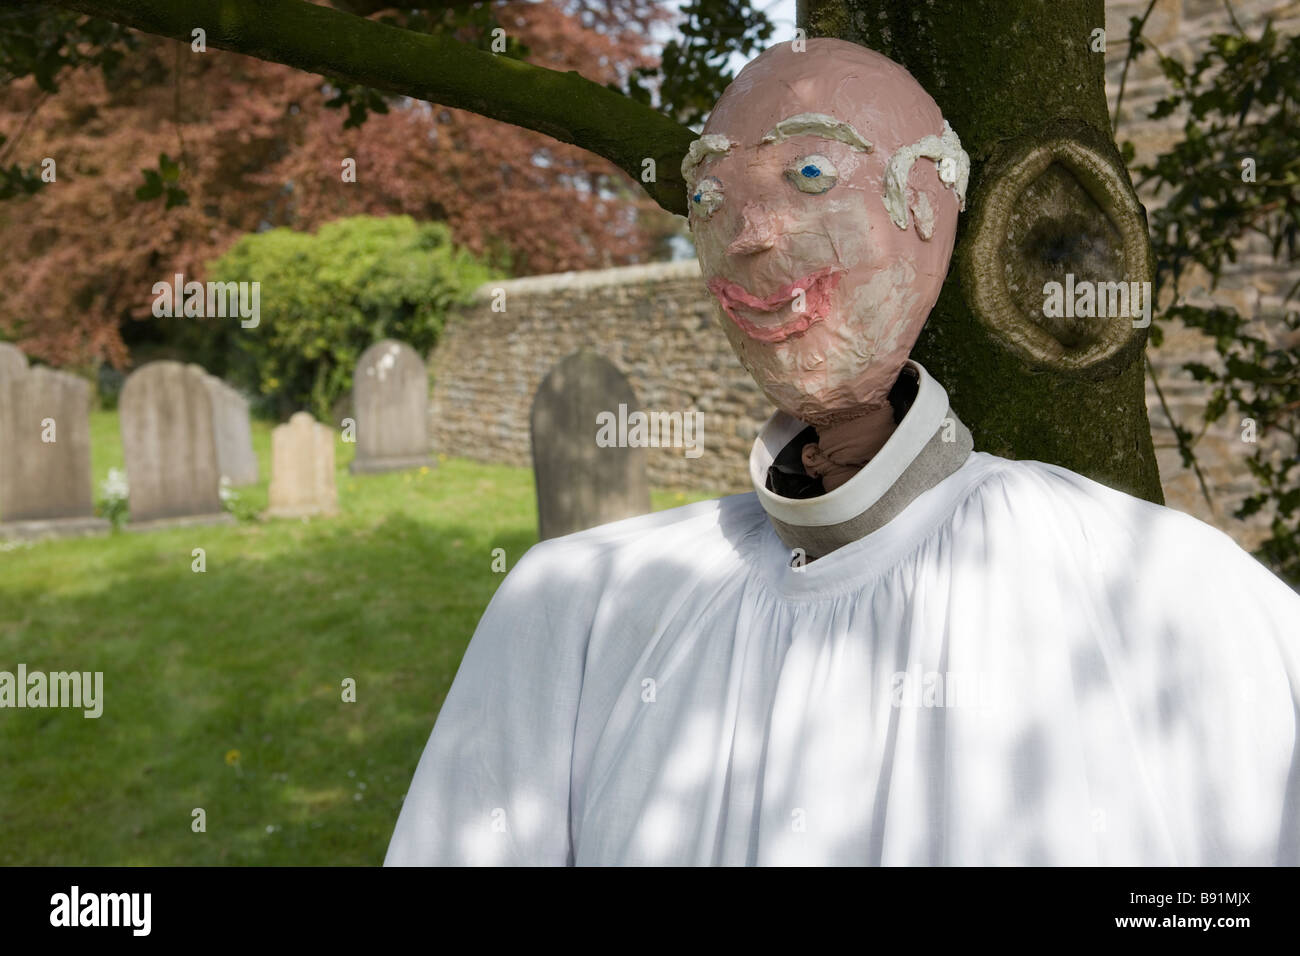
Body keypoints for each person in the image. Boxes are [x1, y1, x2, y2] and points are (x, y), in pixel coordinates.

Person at [386, 39, 1300, 866]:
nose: (748, 237)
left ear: (928, 207)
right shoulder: (574, 608)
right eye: (708, 199)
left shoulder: (1169, 594)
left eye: (812, 173)